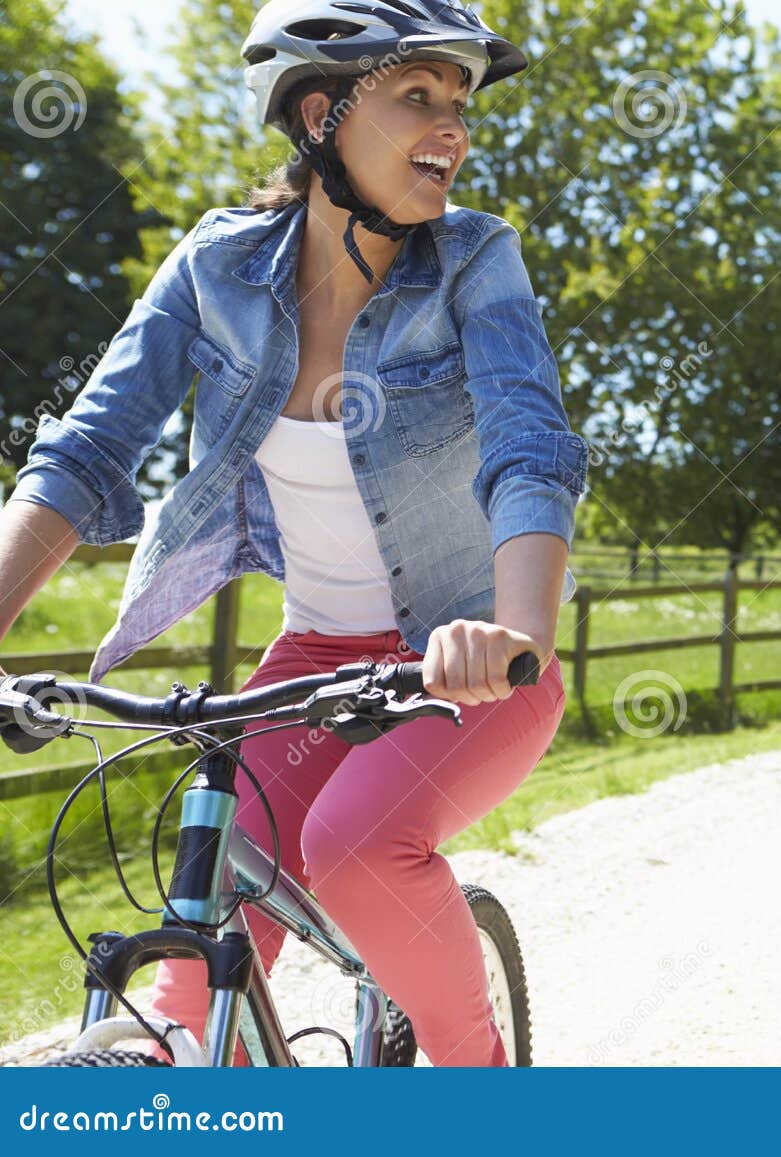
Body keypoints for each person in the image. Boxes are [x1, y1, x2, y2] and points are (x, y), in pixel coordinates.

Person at [0, 0, 585, 1066]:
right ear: (321, 114)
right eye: (419, 96)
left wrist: (512, 631)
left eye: (460, 103)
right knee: (203, 916)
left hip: (471, 659)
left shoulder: (474, 260)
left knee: (354, 843)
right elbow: (87, 451)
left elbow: (527, 446)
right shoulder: (214, 271)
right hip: (311, 663)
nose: (453, 129)